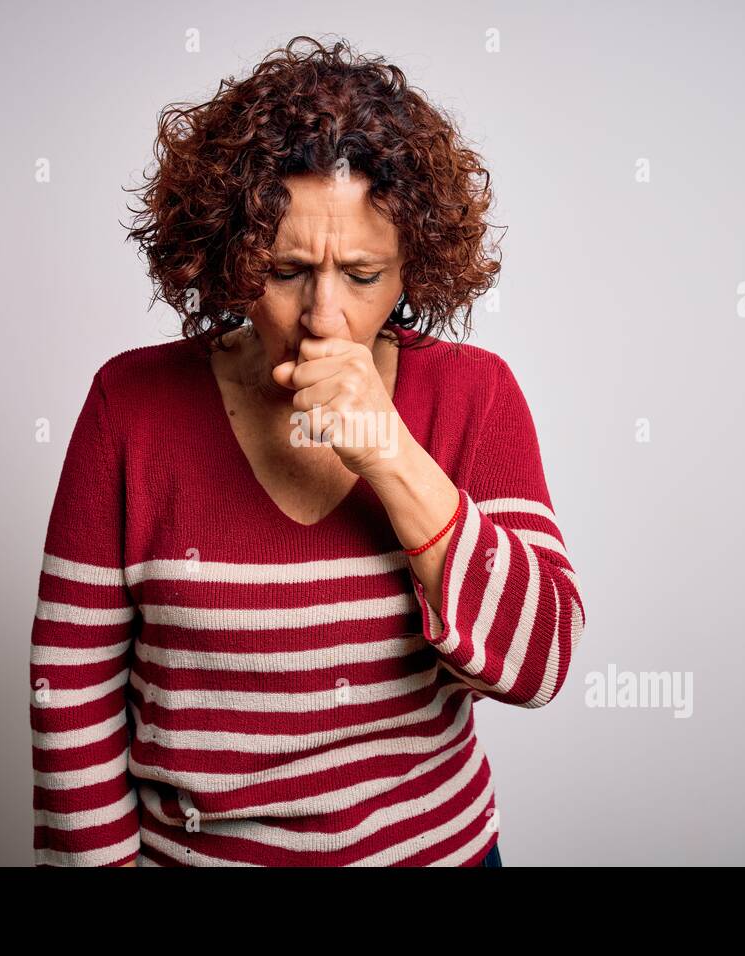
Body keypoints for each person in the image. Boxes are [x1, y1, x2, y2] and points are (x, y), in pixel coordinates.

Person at [29, 35, 585, 867]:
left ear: (413, 272)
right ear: (228, 255)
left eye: (362, 276)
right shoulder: (130, 407)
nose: (324, 317)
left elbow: (539, 663)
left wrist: (390, 454)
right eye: (286, 270)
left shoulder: (476, 396)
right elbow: (70, 695)